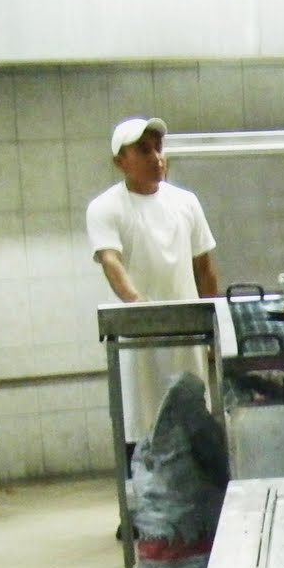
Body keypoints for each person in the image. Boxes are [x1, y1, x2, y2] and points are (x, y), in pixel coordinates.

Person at [86, 116, 220, 446]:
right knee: (145, 426)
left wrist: (214, 326)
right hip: (139, 340)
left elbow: (203, 267)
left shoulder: (185, 202)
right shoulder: (105, 207)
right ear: (120, 162)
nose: (156, 158)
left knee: (194, 422)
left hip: (188, 332)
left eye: (158, 148)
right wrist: (138, 306)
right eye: (144, 151)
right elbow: (110, 260)